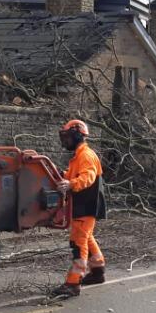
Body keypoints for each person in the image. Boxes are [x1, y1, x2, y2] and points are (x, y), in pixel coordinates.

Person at [51, 119, 106, 298]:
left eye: (67, 137)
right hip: (85, 204)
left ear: (77, 135)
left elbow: (88, 177)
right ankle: (97, 271)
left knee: (78, 242)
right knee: (87, 237)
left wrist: (71, 184)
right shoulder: (78, 156)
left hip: (86, 204)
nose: (65, 140)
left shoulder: (86, 155)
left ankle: (73, 283)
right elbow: (73, 175)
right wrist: (61, 175)